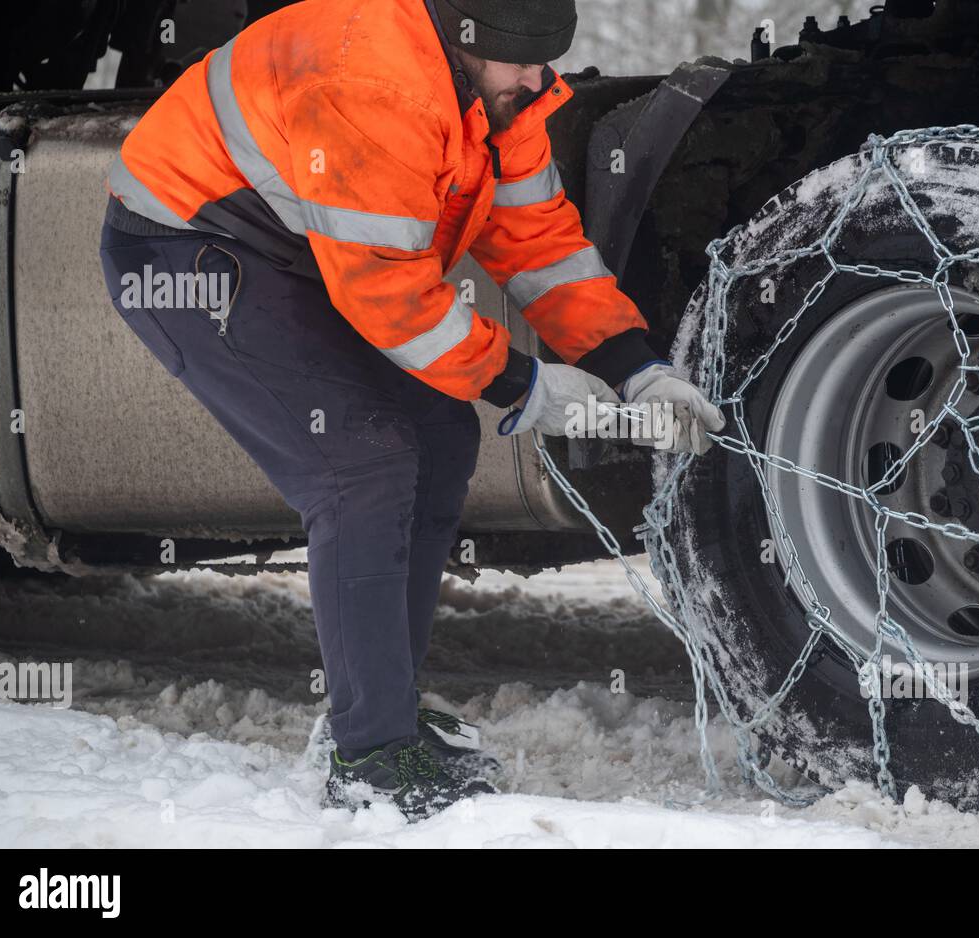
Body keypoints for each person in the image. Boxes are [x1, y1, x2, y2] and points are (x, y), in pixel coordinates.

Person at [97, 0, 725, 820]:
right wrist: (525, 386)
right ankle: (371, 753)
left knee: (436, 432)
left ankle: (384, 704)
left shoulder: (505, 95)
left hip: (302, 244)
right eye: (520, 64)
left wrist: (634, 367)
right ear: (465, 40)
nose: (538, 83)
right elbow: (390, 295)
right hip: (191, 244)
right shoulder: (375, 86)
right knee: (361, 463)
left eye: (546, 63)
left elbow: (536, 237)